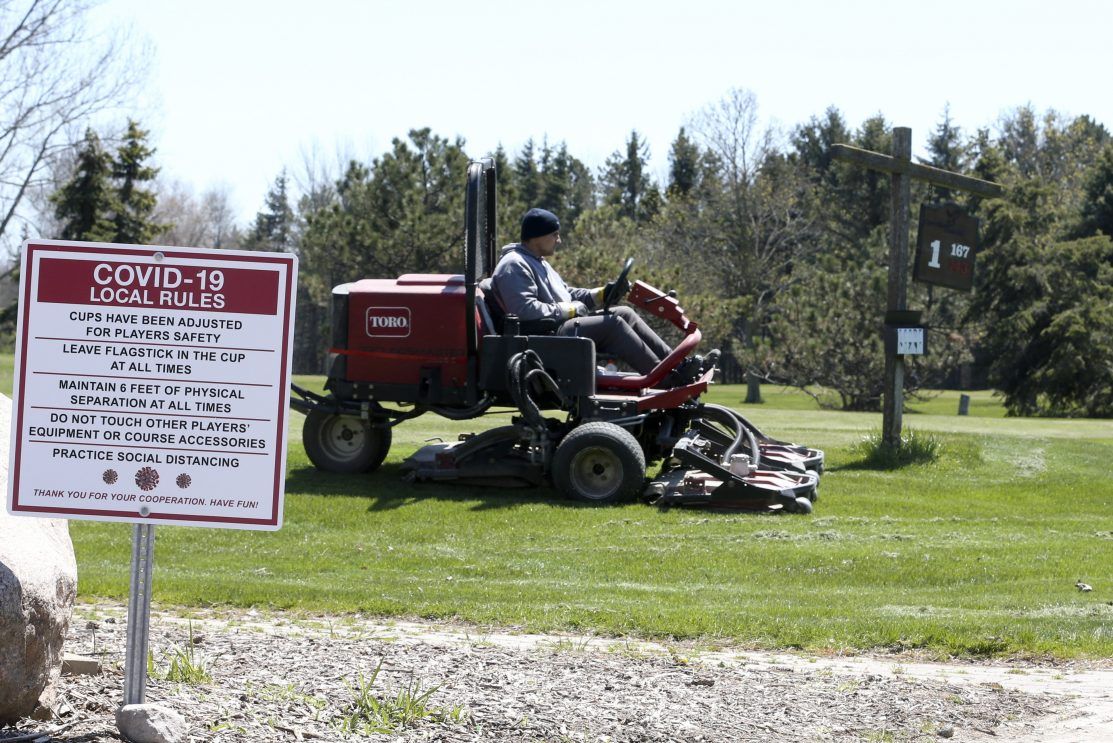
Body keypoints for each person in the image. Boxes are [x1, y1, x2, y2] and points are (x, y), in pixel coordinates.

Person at [491, 207, 714, 381]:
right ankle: (664, 379)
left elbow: (567, 293)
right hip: (545, 334)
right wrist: (570, 310)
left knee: (625, 313)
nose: (558, 240)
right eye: (554, 234)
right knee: (613, 325)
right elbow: (523, 310)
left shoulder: (538, 262)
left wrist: (600, 294)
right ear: (536, 236)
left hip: (557, 326)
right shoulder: (514, 264)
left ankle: (678, 366)